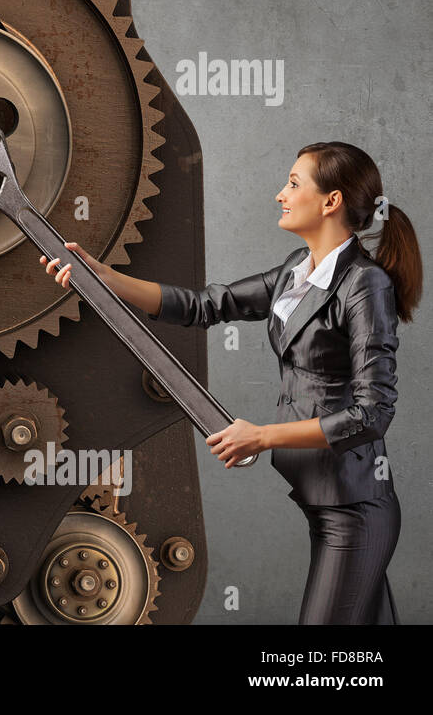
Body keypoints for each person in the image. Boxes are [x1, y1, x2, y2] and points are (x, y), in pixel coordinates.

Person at [39, 142, 421, 625]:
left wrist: (261, 436)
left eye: (294, 183)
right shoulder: (294, 272)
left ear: (331, 202)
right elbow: (205, 305)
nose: (280, 194)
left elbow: (372, 414)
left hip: (356, 509)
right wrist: (104, 277)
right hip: (324, 499)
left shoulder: (364, 285)